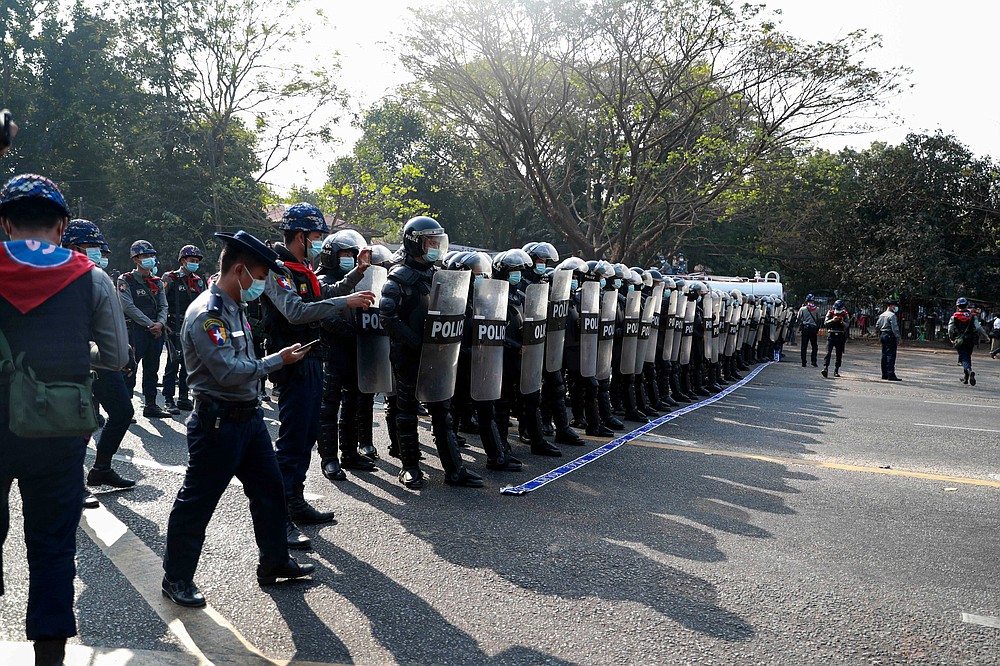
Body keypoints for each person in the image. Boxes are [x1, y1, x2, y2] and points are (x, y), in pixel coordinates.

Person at [0, 174, 129, 665]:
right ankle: (49, 655)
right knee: (52, 545)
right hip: (57, 430)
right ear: (62, 226)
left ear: (5, 223)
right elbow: (115, 356)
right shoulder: (92, 278)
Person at [162, 230, 318, 609]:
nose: (263, 284)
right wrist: (279, 359)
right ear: (239, 270)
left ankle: (274, 562)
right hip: (218, 425)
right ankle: (176, 578)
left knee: (270, 492)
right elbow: (230, 371)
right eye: (261, 276)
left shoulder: (235, 306)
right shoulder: (207, 313)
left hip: (248, 421)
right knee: (197, 503)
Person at [260, 203, 376, 548]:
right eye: (315, 236)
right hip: (292, 363)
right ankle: (279, 519)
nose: (318, 242)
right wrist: (346, 303)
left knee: (306, 436)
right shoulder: (277, 270)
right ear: (300, 236)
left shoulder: (301, 269)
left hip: (311, 359)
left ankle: (295, 503)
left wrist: (355, 276)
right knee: (292, 443)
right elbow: (295, 312)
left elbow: (321, 294)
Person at [381, 216, 485, 489]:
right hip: (408, 356)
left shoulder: (438, 275)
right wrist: (417, 343)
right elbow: (388, 318)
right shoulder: (398, 279)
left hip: (437, 356)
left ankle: (454, 469)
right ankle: (410, 468)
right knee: (406, 412)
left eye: (438, 242)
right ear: (415, 244)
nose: (436, 247)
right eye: (430, 242)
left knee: (442, 412)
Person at [61, 219, 138, 492]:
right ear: (72, 247)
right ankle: (74, 484)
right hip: (75, 363)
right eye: (91, 247)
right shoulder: (60, 280)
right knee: (78, 423)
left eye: (98, 248)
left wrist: (121, 353)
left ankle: (101, 469)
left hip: (102, 359)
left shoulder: (96, 277)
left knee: (122, 412)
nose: (98, 253)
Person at [315, 229, 377, 481]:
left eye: (353, 254)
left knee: (352, 405)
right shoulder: (320, 279)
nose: (349, 258)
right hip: (331, 353)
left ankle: (350, 453)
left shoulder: (356, 280)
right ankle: (329, 459)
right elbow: (327, 315)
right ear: (331, 255)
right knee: (329, 407)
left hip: (354, 353)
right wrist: (355, 333)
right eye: (345, 254)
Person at [118, 239, 172, 417]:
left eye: (151, 256)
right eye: (145, 256)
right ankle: (125, 409)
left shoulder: (157, 281)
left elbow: (164, 306)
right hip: (136, 332)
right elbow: (128, 307)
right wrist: (150, 324)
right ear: (136, 259)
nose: (149, 259)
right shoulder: (125, 280)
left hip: (156, 333)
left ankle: (151, 405)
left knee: (152, 369)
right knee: (130, 369)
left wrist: (160, 324)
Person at [161, 244, 207, 413]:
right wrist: (164, 323)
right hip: (173, 325)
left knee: (188, 363)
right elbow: (162, 302)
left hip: (192, 327)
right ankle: (168, 399)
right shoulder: (170, 278)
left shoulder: (198, 281)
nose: (194, 263)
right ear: (182, 261)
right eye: (191, 260)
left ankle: (183, 397)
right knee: (173, 362)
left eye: (196, 261)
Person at [948, 297, 988, 386]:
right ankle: (966, 378)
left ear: (958, 307)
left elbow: (950, 329)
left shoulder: (954, 316)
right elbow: (978, 328)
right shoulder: (972, 316)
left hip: (960, 340)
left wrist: (951, 338)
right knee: (967, 356)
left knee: (963, 358)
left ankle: (969, 371)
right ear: (967, 306)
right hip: (971, 339)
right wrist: (986, 336)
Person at [875, 297, 902, 381]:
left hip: (883, 334)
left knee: (884, 355)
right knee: (891, 355)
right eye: (894, 306)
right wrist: (898, 338)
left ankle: (884, 374)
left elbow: (877, 326)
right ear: (890, 306)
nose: (896, 308)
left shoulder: (882, 315)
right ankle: (891, 374)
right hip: (890, 335)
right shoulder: (892, 315)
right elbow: (895, 328)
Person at [821, 299, 850, 378]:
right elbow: (825, 323)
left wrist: (842, 322)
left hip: (840, 335)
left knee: (839, 354)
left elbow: (847, 324)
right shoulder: (830, 313)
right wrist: (832, 320)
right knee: (828, 352)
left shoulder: (845, 314)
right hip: (831, 334)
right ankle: (825, 368)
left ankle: (836, 369)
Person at [797, 294, 820, 367]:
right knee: (814, 346)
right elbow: (819, 320)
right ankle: (814, 362)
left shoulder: (802, 309)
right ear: (813, 301)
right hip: (813, 329)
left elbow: (798, 318)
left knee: (804, 346)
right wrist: (817, 328)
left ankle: (803, 362)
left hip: (805, 328)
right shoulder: (817, 309)